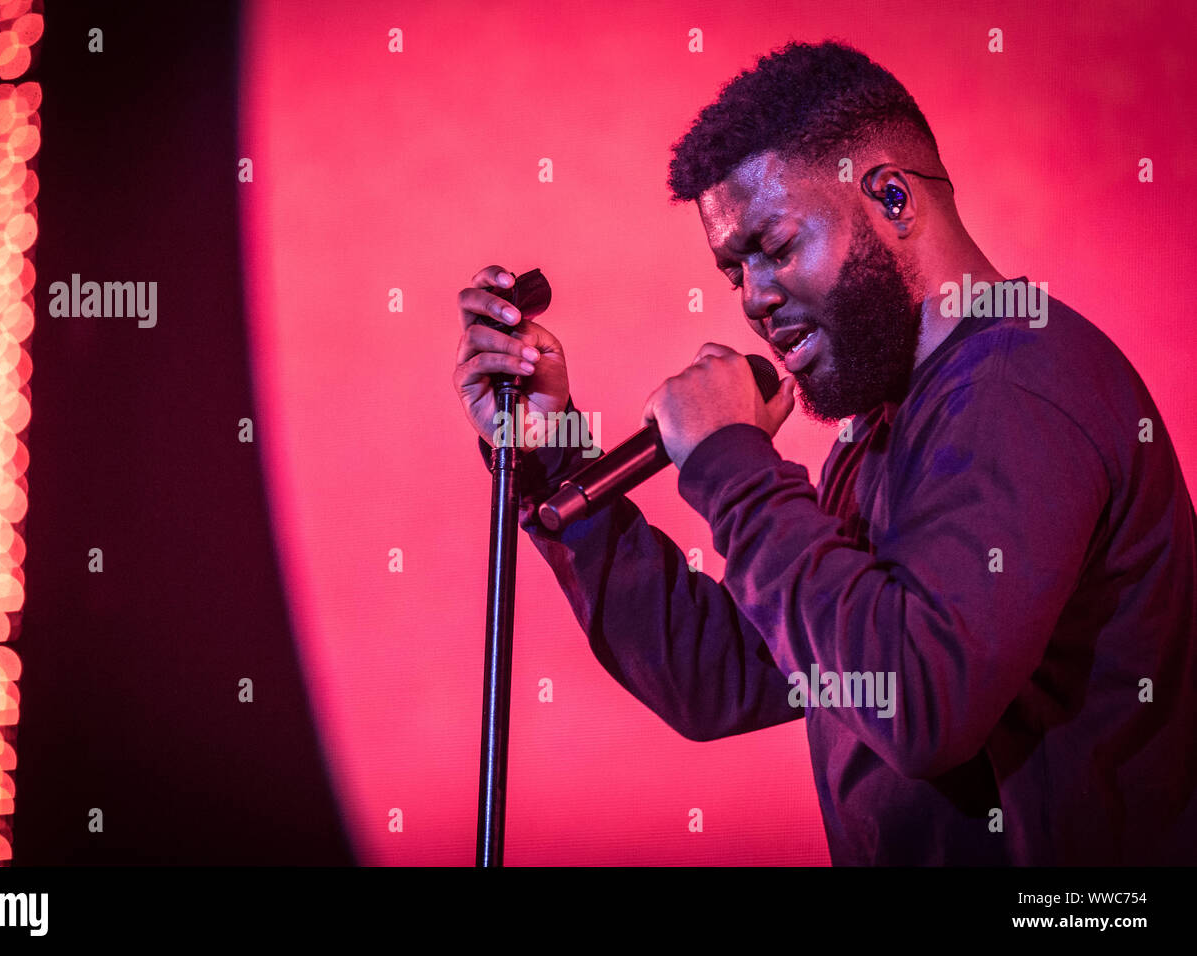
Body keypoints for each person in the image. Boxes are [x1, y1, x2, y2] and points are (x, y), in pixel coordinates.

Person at [451, 40, 1197, 865]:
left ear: (890, 197)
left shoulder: (1020, 387)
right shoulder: (889, 423)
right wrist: (551, 450)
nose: (755, 299)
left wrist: (734, 465)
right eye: (733, 270)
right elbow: (719, 675)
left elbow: (919, 702)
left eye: (774, 246)